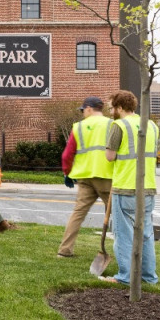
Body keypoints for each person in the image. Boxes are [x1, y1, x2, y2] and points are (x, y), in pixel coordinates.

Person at [101, 90, 159, 284]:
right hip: (148, 187)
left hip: (125, 187)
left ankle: (125, 277)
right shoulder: (151, 125)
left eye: (112, 108)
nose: (111, 112)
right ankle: (149, 277)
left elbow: (110, 156)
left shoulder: (118, 126)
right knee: (146, 233)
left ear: (119, 108)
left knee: (124, 235)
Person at [57, 96, 113, 258]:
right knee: (117, 214)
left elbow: (67, 154)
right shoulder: (112, 125)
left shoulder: (78, 127)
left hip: (85, 178)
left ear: (89, 108)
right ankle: (126, 252)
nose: (82, 113)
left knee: (78, 213)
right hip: (105, 176)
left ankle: (65, 250)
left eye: (83, 110)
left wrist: (67, 173)